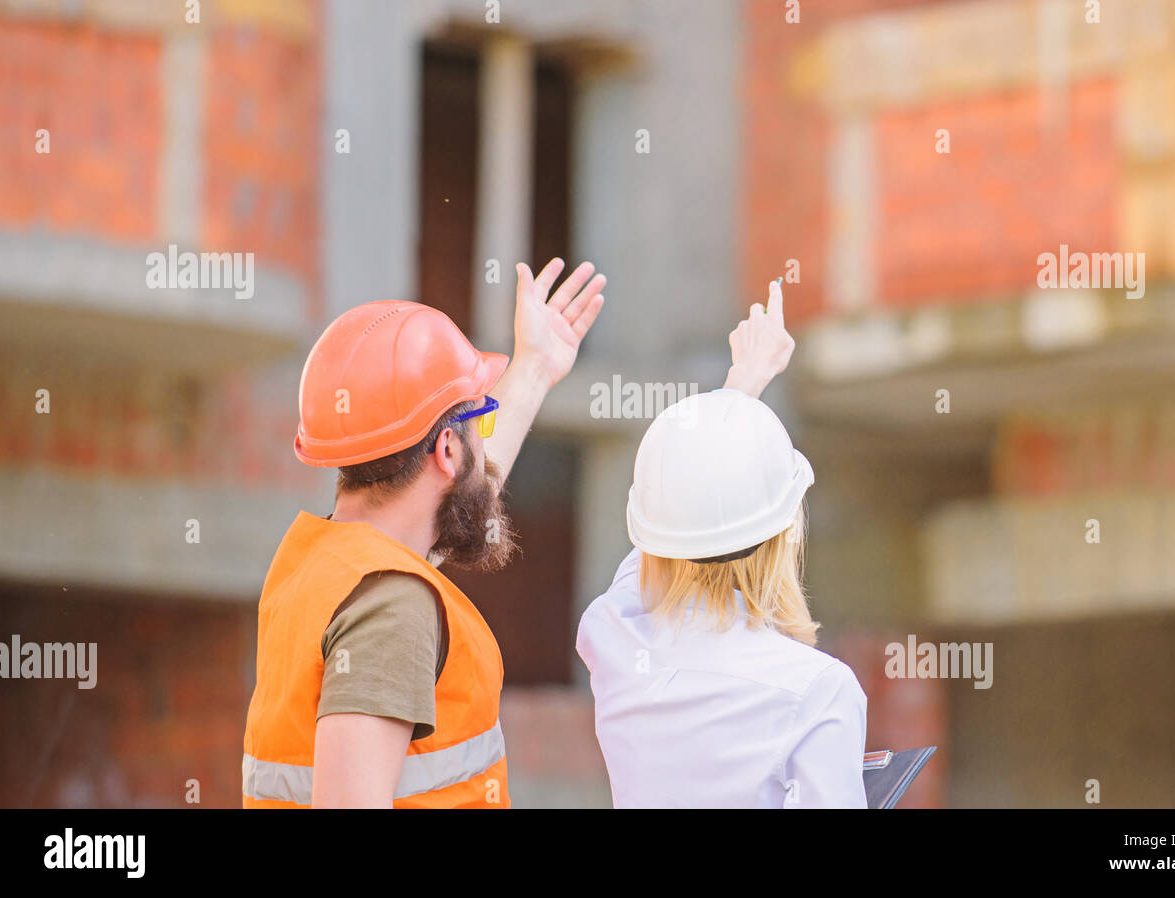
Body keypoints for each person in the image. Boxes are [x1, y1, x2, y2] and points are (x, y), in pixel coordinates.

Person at [242, 259, 606, 808]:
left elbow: (461, 489)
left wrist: (535, 366)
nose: (485, 442)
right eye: (479, 423)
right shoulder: (390, 608)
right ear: (447, 451)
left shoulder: (333, 564)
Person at [576, 280, 868, 808]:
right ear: (787, 534)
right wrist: (741, 392)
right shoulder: (818, 690)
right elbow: (680, 518)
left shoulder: (613, 636)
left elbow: (676, 514)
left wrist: (740, 389)